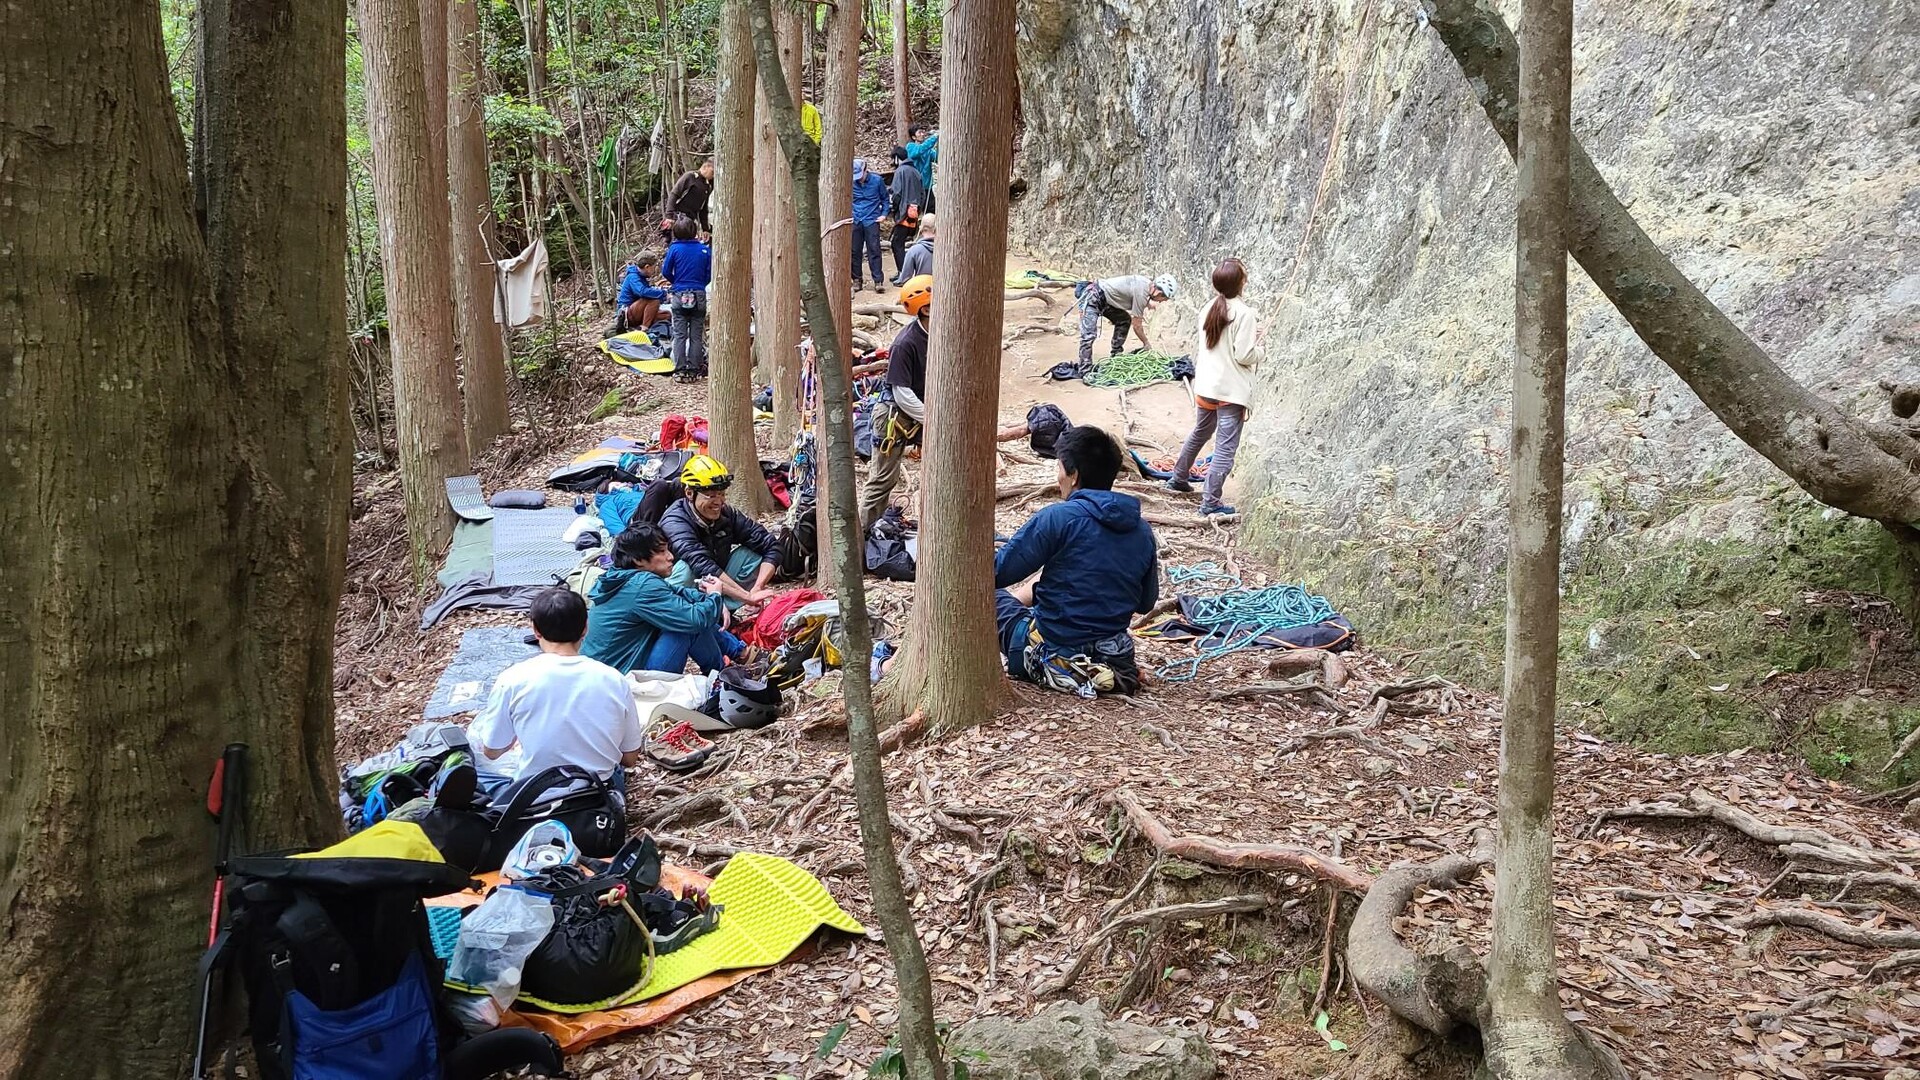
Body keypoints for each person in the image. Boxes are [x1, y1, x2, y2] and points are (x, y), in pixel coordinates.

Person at [993, 426, 1160, 697]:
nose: (1058, 476)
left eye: (1060, 468)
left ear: (1074, 475)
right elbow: (1146, 602)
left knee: (988, 593)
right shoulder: (1142, 530)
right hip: (1115, 656)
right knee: (1041, 582)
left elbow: (997, 572)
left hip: (1051, 651)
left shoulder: (1058, 518)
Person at [473, 588, 644, 781]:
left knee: (472, 768)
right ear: (585, 628)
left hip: (535, 797)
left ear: (536, 630)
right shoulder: (614, 680)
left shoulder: (512, 679)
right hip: (598, 794)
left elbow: (492, 752)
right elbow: (629, 757)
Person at [581, 522, 759, 675]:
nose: (671, 556)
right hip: (626, 681)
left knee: (687, 612)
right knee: (687, 625)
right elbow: (694, 620)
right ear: (638, 560)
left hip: (610, 676)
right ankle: (720, 678)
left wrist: (710, 597)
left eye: (668, 549)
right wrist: (714, 597)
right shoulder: (642, 585)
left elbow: (677, 592)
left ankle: (740, 654)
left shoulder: (622, 577)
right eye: (661, 552)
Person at [1168, 258, 1261, 517]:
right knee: (1225, 447)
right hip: (1230, 391)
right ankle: (1211, 501)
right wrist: (1260, 351)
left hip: (1207, 386)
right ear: (1241, 282)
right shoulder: (1245, 313)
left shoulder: (1209, 307)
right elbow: (1244, 355)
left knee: (1200, 431)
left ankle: (1178, 477)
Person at [660, 454, 782, 609]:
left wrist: (758, 587)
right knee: (686, 569)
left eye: (722, 494)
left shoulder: (726, 513)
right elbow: (702, 565)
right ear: (690, 493)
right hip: (680, 588)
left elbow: (771, 545)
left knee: (753, 555)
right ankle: (691, 613)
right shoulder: (675, 521)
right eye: (711, 496)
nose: (719, 502)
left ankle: (722, 611)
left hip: (713, 584)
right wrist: (747, 597)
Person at [861, 274, 931, 530]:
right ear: (925, 309)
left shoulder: (934, 333)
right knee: (882, 480)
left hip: (916, 413)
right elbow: (902, 393)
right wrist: (933, 419)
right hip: (894, 415)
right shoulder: (906, 343)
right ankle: (864, 534)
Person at [1078, 273, 1176, 369]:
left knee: (1124, 320)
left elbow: (1133, 292)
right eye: (1163, 299)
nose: (1160, 301)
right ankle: (1084, 369)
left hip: (1104, 299)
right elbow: (1137, 326)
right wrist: (1146, 343)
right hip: (1092, 297)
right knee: (1088, 335)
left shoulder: (1146, 284)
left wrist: (1148, 303)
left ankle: (1116, 355)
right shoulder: (1142, 294)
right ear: (1158, 292)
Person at [660, 216, 712, 380]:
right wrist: (700, 285)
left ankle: (680, 369)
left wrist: (677, 283)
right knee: (696, 335)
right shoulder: (704, 250)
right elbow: (709, 273)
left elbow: (666, 271)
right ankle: (694, 369)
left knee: (680, 334)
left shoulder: (674, 250)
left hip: (679, 294)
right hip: (699, 294)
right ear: (694, 231)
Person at [850, 159, 890, 292]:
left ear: (866, 170)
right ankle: (857, 280)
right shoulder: (851, 182)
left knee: (874, 250)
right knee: (855, 251)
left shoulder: (877, 181)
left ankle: (878, 281)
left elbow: (885, 198)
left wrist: (884, 214)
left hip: (872, 219)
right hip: (856, 220)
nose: (859, 178)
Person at [887, 146, 926, 275]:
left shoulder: (900, 171)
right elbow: (922, 194)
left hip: (904, 212)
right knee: (901, 241)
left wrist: (893, 209)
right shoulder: (916, 172)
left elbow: (896, 193)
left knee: (896, 243)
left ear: (897, 158)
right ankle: (904, 272)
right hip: (914, 212)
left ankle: (903, 273)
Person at [611, 252, 666, 336]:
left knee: (666, 315)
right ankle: (644, 329)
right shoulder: (633, 277)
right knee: (654, 300)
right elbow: (642, 292)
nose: (655, 270)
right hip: (626, 314)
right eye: (654, 267)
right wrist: (663, 293)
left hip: (636, 311)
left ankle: (643, 326)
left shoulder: (641, 277)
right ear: (647, 267)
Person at [667, 159, 714, 237]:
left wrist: (705, 229)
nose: (713, 176)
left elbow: (703, 209)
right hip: (678, 216)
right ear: (706, 167)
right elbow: (674, 194)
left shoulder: (708, 186)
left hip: (691, 220)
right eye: (712, 172)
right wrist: (669, 215)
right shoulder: (690, 177)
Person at [892, 213, 935, 286]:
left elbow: (905, 278)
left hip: (920, 290)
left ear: (921, 228)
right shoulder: (946, 250)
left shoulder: (914, 250)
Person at [904, 124, 939, 209]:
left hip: (927, 186)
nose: (922, 134)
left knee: (931, 211)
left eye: (923, 132)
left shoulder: (928, 150)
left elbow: (937, 158)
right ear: (914, 137)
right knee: (914, 212)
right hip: (915, 187)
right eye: (919, 132)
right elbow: (918, 151)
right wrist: (934, 138)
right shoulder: (910, 147)